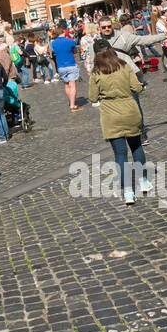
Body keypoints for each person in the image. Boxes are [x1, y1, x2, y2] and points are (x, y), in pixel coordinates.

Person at [87, 44, 149, 205]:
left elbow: (93, 98)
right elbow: (136, 87)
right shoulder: (124, 66)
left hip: (110, 115)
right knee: (136, 147)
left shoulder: (96, 73)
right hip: (130, 110)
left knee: (120, 154)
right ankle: (143, 181)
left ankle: (128, 192)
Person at [50, 27, 82, 111]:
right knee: (72, 85)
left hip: (60, 66)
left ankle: (71, 101)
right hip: (71, 64)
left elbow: (53, 52)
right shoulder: (70, 41)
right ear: (64, 32)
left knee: (66, 85)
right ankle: (72, 105)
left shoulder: (54, 43)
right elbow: (75, 51)